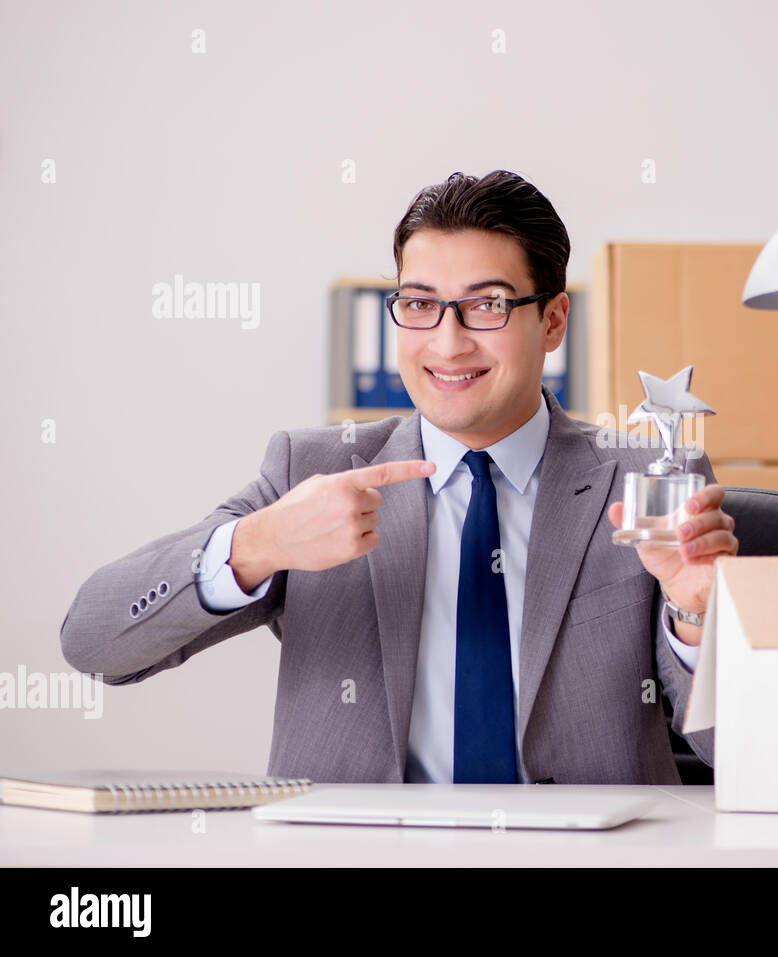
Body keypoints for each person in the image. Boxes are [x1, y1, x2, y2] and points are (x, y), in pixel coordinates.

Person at [59, 170, 736, 785]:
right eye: (419, 305)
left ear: (552, 320)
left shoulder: (648, 477)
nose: (447, 342)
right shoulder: (313, 471)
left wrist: (694, 610)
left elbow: (737, 750)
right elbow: (92, 643)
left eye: (488, 305)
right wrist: (255, 545)